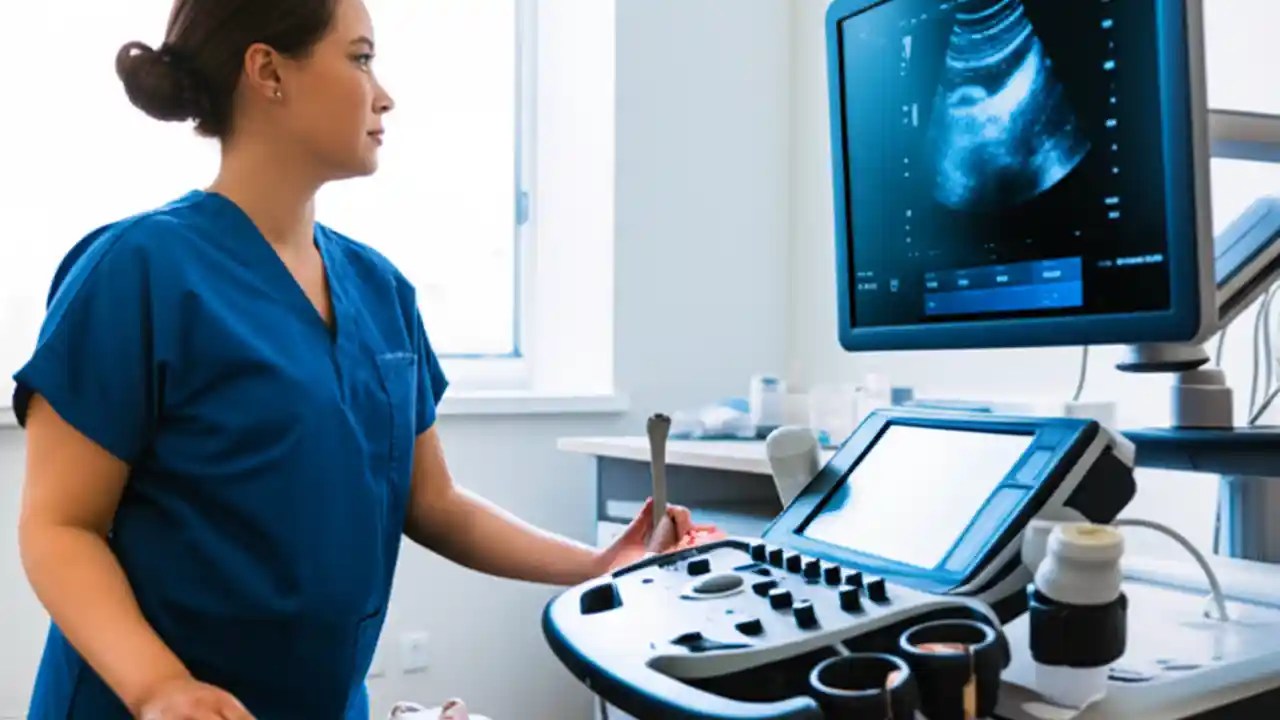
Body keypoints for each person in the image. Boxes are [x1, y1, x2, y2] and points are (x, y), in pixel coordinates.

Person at [13, 1, 722, 718]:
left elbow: (434, 503)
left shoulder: (380, 289)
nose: (383, 95)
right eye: (359, 58)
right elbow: (60, 526)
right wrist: (160, 687)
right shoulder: (136, 271)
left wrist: (597, 565)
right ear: (268, 71)